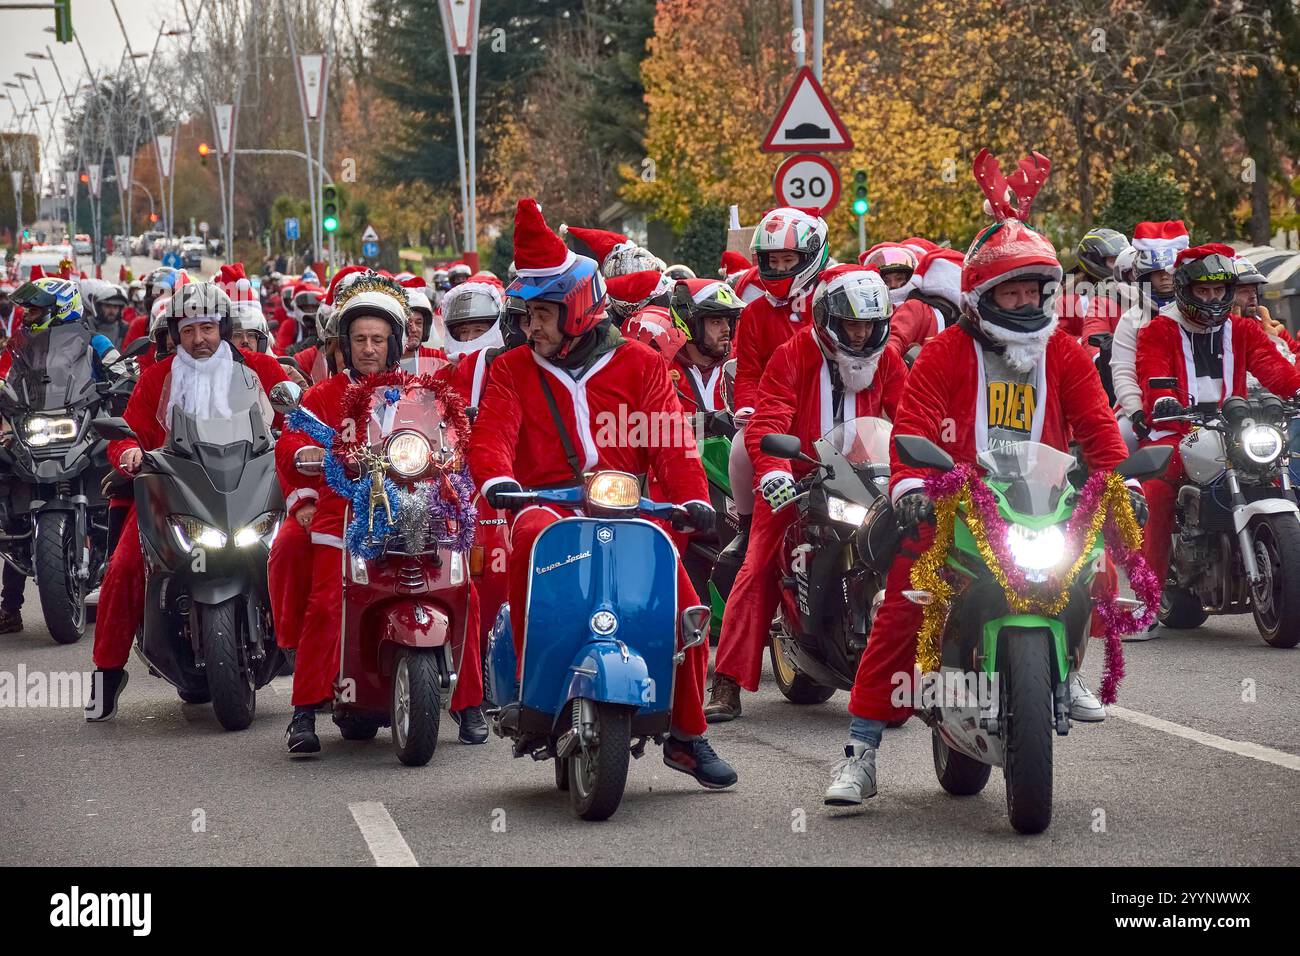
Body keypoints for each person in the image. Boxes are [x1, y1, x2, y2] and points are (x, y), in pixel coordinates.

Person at [824, 152, 1142, 805]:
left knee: (1085, 569)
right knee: (904, 603)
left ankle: (1067, 670)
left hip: (1041, 503)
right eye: (1011, 291)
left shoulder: (1062, 350)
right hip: (954, 505)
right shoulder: (945, 351)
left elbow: (1099, 426)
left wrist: (1118, 480)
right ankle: (860, 749)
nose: (1025, 301)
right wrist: (911, 485)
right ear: (982, 296)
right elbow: (911, 420)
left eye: (1034, 289)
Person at [468, 198, 737, 789]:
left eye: (542, 313)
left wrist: (693, 501)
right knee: (530, 537)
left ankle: (689, 736)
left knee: (685, 608)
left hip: (632, 509)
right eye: (526, 314)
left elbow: (672, 445)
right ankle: (531, 694)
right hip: (545, 505)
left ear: (578, 307)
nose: (530, 326)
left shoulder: (640, 364)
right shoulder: (512, 370)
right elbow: (491, 436)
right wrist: (497, 482)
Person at [275, 270, 488, 754]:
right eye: (358, 339)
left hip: (421, 513)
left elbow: (453, 439)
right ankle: (304, 711)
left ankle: (470, 703)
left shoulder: (422, 394)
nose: (368, 348)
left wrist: (457, 456)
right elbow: (290, 443)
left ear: (394, 342)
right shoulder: (323, 397)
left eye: (377, 339)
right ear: (344, 345)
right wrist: (304, 458)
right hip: (345, 516)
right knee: (328, 600)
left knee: (463, 592)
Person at [706, 267, 907, 720]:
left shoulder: (890, 361)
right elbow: (768, 420)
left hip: (871, 482)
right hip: (800, 481)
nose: (860, 336)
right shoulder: (793, 354)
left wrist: (923, 469)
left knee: (922, 552)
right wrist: (775, 471)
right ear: (826, 319)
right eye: (851, 324)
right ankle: (727, 681)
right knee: (756, 564)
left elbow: (909, 419)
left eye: (869, 325)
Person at [84, 283, 290, 719]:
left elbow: (296, 418)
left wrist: (298, 442)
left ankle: (319, 672)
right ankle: (105, 674)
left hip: (250, 490)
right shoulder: (157, 378)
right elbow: (126, 436)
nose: (199, 340)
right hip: (172, 495)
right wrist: (129, 454)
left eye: (208, 328)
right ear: (175, 334)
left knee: (303, 553)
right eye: (190, 329)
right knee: (123, 568)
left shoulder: (259, 369)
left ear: (224, 329)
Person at [1136, 244, 1300, 632]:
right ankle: (1145, 601)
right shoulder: (1158, 330)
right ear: (1184, 290)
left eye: (1218, 291)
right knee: (1158, 494)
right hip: (1177, 430)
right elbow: (1153, 375)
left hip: (1236, 428)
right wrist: (1162, 400)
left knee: (1285, 471)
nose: (1212, 299)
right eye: (1202, 291)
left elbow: (1277, 371)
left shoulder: (1243, 330)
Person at [720, 207, 829, 612]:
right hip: (775, 416)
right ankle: (747, 529)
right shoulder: (753, 314)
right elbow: (747, 371)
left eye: (789, 260)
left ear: (811, 257)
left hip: (832, 415)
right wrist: (747, 408)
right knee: (737, 449)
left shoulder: (828, 300)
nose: (780, 268)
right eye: (773, 261)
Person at [1107, 221, 1191, 452]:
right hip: (1146, 410)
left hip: (1200, 409)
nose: (1165, 278)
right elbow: (1123, 372)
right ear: (1145, 276)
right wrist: (1136, 412)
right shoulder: (1131, 319)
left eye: (1170, 272)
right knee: (1119, 441)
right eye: (1157, 273)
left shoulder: (1199, 316)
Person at [668, 278, 740, 418]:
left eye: (729, 321)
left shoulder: (744, 367)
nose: (726, 329)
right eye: (716, 322)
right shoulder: (663, 371)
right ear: (690, 324)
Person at [886, 247, 964, 359]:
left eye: (899, 279)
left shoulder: (960, 319)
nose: (893, 285)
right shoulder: (916, 307)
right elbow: (893, 344)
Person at [1057, 227, 1129, 338]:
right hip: (1086, 353)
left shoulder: (1136, 290)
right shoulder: (1067, 299)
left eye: (1122, 259)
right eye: (1113, 260)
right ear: (1094, 261)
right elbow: (1058, 339)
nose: (1120, 265)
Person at [275, 282, 324, 354]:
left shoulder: (326, 324)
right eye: (306, 307)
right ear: (296, 306)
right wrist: (294, 349)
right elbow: (280, 353)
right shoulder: (289, 325)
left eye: (314, 307)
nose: (310, 311)